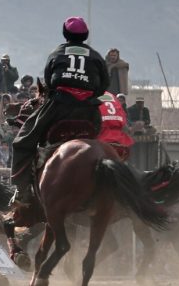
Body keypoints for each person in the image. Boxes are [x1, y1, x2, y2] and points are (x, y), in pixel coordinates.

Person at [10, 17, 108, 205]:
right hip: (89, 111)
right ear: (85, 35)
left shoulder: (57, 52)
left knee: (22, 141)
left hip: (59, 108)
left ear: (65, 33)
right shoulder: (95, 56)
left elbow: (48, 81)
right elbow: (104, 85)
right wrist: (85, 94)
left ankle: (21, 189)